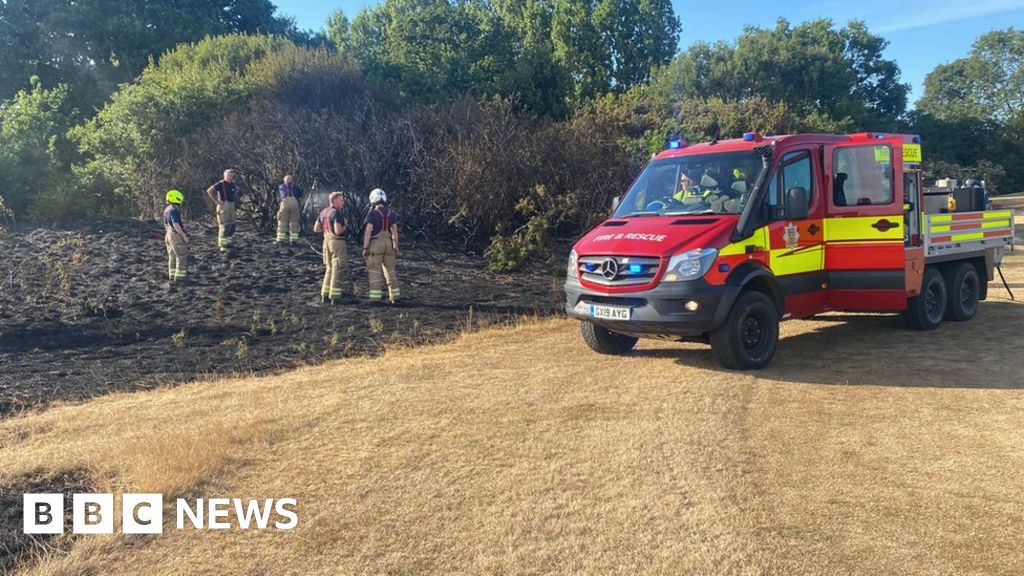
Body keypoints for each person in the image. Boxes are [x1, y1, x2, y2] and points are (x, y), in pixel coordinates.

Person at [362, 188, 401, 304]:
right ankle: (395, 297)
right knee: (390, 271)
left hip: (375, 244)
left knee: (375, 271)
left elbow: (368, 232)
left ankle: (375, 298)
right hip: (388, 244)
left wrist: (365, 247)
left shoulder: (372, 214)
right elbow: (395, 232)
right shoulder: (391, 214)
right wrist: (396, 246)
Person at [314, 192, 350, 304]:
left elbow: (316, 229)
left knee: (329, 268)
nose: (343, 202)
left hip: (326, 242)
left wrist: (326, 231)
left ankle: (324, 295)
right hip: (337, 243)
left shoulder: (323, 212)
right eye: (341, 200)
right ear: (334, 200)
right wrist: (346, 226)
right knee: (337, 269)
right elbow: (338, 230)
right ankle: (335, 297)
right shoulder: (337, 213)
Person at [163, 189, 190, 288]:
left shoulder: (167, 209)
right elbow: (176, 224)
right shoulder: (174, 210)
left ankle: (172, 276)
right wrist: (184, 235)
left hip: (168, 234)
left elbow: (167, 224)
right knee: (181, 256)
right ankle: (180, 278)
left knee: (172, 256)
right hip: (175, 235)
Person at [205, 169, 237, 252]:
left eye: (231, 175)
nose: (230, 177)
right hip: (223, 206)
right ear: (224, 175)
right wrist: (217, 201)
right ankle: (222, 245)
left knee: (232, 225)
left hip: (231, 205)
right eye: (228, 175)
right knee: (224, 226)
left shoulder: (233, 184)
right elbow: (210, 191)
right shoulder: (220, 184)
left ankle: (228, 243)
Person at [276, 175, 303, 244]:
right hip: (293, 204)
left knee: (283, 222)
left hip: (286, 204)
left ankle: (281, 240)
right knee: (293, 223)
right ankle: (293, 240)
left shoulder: (282, 187)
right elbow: (300, 196)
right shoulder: (295, 187)